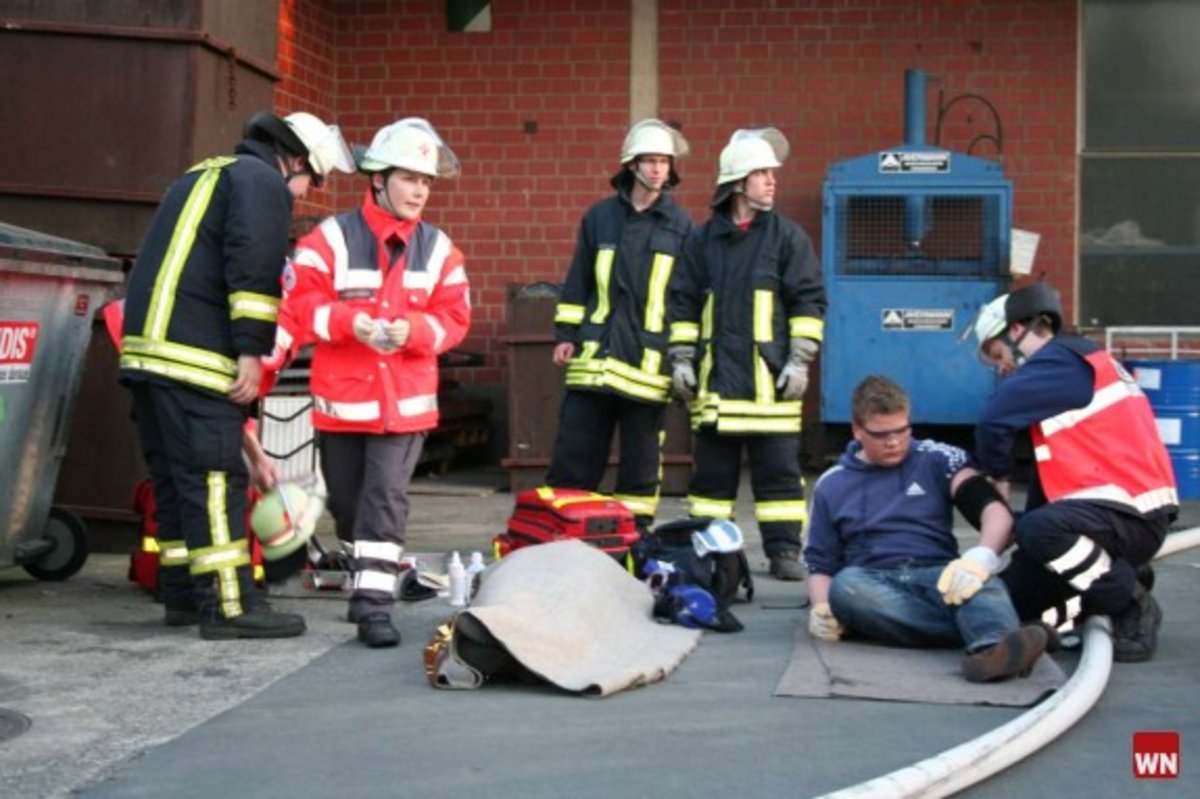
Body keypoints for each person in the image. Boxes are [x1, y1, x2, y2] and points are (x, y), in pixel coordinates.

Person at [119, 110, 355, 639]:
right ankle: (229, 607)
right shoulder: (262, 183)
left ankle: (183, 596)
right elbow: (252, 271)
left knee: (179, 484)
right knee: (214, 482)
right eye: (309, 181)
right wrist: (251, 350)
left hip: (147, 357)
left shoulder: (203, 173)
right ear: (293, 159)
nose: (303, 193)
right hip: (195, 358)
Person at [270, 118, 471, 648]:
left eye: (427, 182)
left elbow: (456, 317)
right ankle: (369, 573)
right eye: (410, 178)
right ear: (377, 180)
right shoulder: (330, 238)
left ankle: (373, 607)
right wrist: (347, 322)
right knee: (349, 504)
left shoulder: (439, 247)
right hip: (344, 405)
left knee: (385, 499)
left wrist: (415, 331)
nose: (420, 191)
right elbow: (299, 305)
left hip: (404, 408)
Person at [971, 282, 1177, 662]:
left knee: (1040, 530)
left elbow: (992, 420)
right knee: (1008, 598)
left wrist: (996, 481)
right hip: (1112, 515)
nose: (1002, 367)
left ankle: (1129, 601)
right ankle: (1119, 578)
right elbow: (1050, 485)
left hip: (1124, 514)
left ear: (1017, 330)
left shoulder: (1062, 359)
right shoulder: (1072, 369)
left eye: (998, 353)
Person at [803, 375, 1049, 682]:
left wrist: (981, 558)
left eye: (901, 430)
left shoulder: (937, 458)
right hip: (873, 580)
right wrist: (822, 607)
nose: (893, 441)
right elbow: (820, 562)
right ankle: (997, 630)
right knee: (846, 588)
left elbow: (994, 511)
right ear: (857, 430)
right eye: (881, 434)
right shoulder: (831, 484)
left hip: (940, 575)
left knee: (981, 582)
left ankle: (993, 653)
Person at [667, 128, 825, 580]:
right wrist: (681, 359)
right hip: (715, 383)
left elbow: (808, 301)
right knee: (712, 484)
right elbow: (683, 303)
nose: (771, 181)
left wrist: (799, 360)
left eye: (772, 173)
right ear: (738, 182)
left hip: (769, 382)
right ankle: (714, 553)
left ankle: (784, 552)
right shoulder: (701, 242)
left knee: (779, 476)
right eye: (761, 173)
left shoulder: (787, 237)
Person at [545, 119, 693, 530]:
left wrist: (683, 356)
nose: (658, 169)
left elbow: (686, 298)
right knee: (575, 451)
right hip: (594, 360)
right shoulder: (600, 218)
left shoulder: (681, 227)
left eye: (664, 161)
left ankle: (632, 535)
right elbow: (579, 280)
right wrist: (566, 335)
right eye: (650, 160)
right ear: (631, 165)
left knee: (642, 462)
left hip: (647, 366)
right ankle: (563, 527)